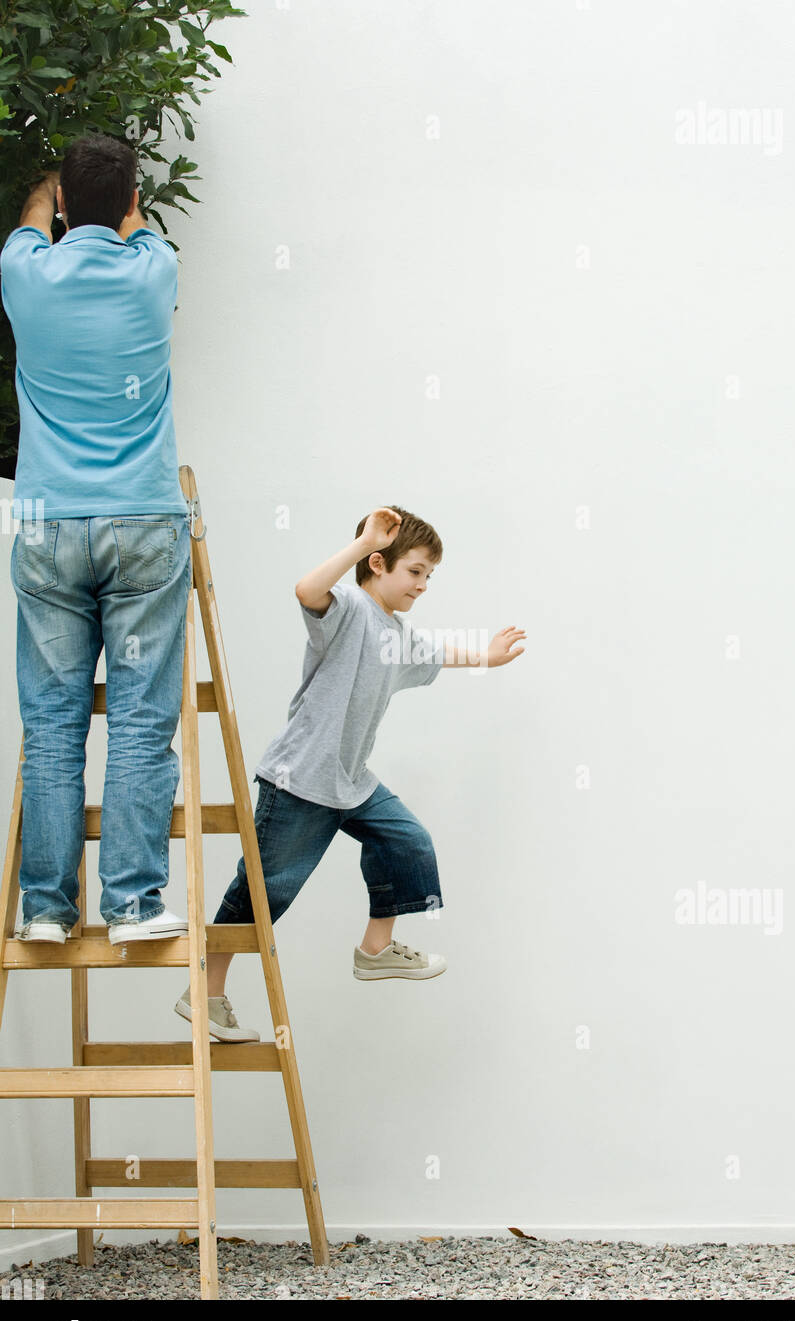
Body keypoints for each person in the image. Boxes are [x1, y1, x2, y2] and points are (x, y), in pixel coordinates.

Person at [175, 505, 527, 1041]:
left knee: (409, 842)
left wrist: (487, 655)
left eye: (430, 575)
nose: (423, 585)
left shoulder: (397, 633)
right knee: (263, 893)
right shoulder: (348, 607)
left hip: (350, 781)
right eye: (415, 572)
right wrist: (361, 545)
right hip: (300, 779)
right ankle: (205, 993)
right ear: (379, 564)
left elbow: (439, 653)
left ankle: (375, 949)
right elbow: (305, 590)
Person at [1, 134, 192, 946]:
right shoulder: (156, 271)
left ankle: (46, 909)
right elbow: (135, 224)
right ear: (130, 207)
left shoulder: (23, 271)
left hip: (45, 517)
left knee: (51, 722)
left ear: (64, 206)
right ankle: (133, 906)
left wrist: (51, 193)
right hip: (142, 516)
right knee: (143, 722)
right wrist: (118, 209)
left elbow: (35, 220)